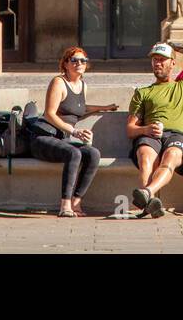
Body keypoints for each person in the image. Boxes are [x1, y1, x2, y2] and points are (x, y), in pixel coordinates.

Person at [28, 46, 118, 217]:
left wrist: (105, 107)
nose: (79, 63)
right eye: (74, 60)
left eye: (83, 60)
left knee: (93, 154)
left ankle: (77, 202)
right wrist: (74, 131)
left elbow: (80, 108)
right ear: (66, 64)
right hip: (44, 137)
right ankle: (65, 205)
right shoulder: (58, 82)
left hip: (63, 140)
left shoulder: (83, 85)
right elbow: (49, 114)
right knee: (74, 154)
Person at [126, 40, 183, 218]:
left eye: (163, 59)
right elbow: (131, 129)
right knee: (146, 156)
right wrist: (146, 129)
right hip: (151, 135)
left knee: (171, 156)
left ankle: (146, 193)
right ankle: (150, 202)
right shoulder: (143, 92)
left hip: (179, 136)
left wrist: (170, 43)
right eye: (155, 59)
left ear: (173, 63)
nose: (157, 63)